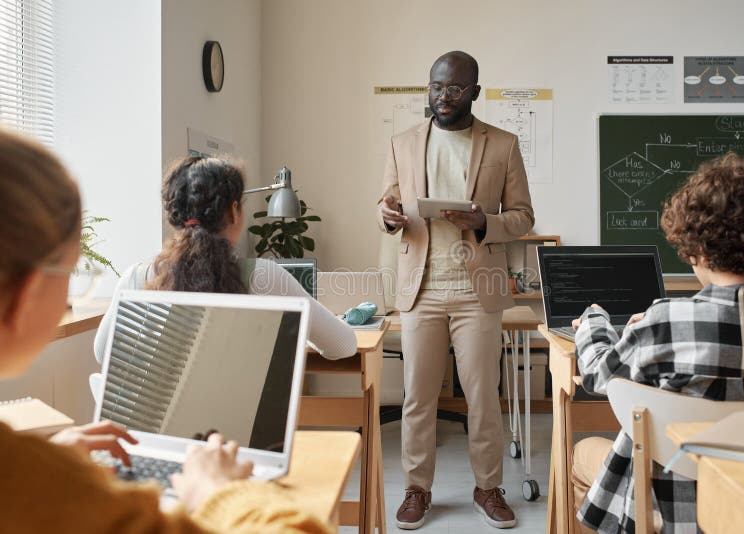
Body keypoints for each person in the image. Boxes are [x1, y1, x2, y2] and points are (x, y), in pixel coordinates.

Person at [0, 128, 332, 533]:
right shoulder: (41, 485)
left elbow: (106, 353)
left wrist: (48, 458)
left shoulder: (27, 473)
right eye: (75, 272)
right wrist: (220, 492)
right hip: (228, 460)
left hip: (146, 445)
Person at [570, 153, 744, 534]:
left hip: (676, 511)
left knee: (580, 455)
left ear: (695, 247)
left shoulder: (665, 321)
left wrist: (594, 321)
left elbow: (596, 375)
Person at [377, 51, 534, 530]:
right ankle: (416, 490)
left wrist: (485, 220)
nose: (443, 97)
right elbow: (385, 203)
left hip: (477, 288)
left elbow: (525, 217)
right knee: (418, 398)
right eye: (435, 87)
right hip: (421, 286)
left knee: (483, 396)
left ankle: (488, 488)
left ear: (474, 93)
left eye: (454, 89)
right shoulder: (403, 142)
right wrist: (387, 215)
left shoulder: (503, 144)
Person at [93, 156, 356, 366]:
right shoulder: (263, 277)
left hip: (160, 432)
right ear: (233, 211)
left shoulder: (137, 279)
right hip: (239, 433)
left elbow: (103, 354)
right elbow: (344, 345)